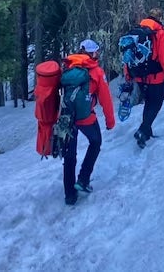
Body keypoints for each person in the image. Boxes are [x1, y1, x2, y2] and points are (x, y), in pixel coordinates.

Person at [62, 40, 116, 205]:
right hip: (86, 117)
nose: (97, 54)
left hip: (66, 116)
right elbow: (105, 99)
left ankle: (70, 195)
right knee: (95, 141)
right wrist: (110, 121)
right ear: (91, 53)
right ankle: (83, 179)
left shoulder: (67, 66)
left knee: (69, 156)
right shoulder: (97, 72)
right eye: (96, 51)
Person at [120, 8, 164, 149]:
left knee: (148, 103)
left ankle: (146, 133)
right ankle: (143, 130)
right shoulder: (159, 34)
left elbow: (127, 58)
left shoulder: (136, 33)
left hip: (140, 77)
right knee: (156, 103)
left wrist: (129, 75)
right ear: (160, 18)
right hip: (155, 77)